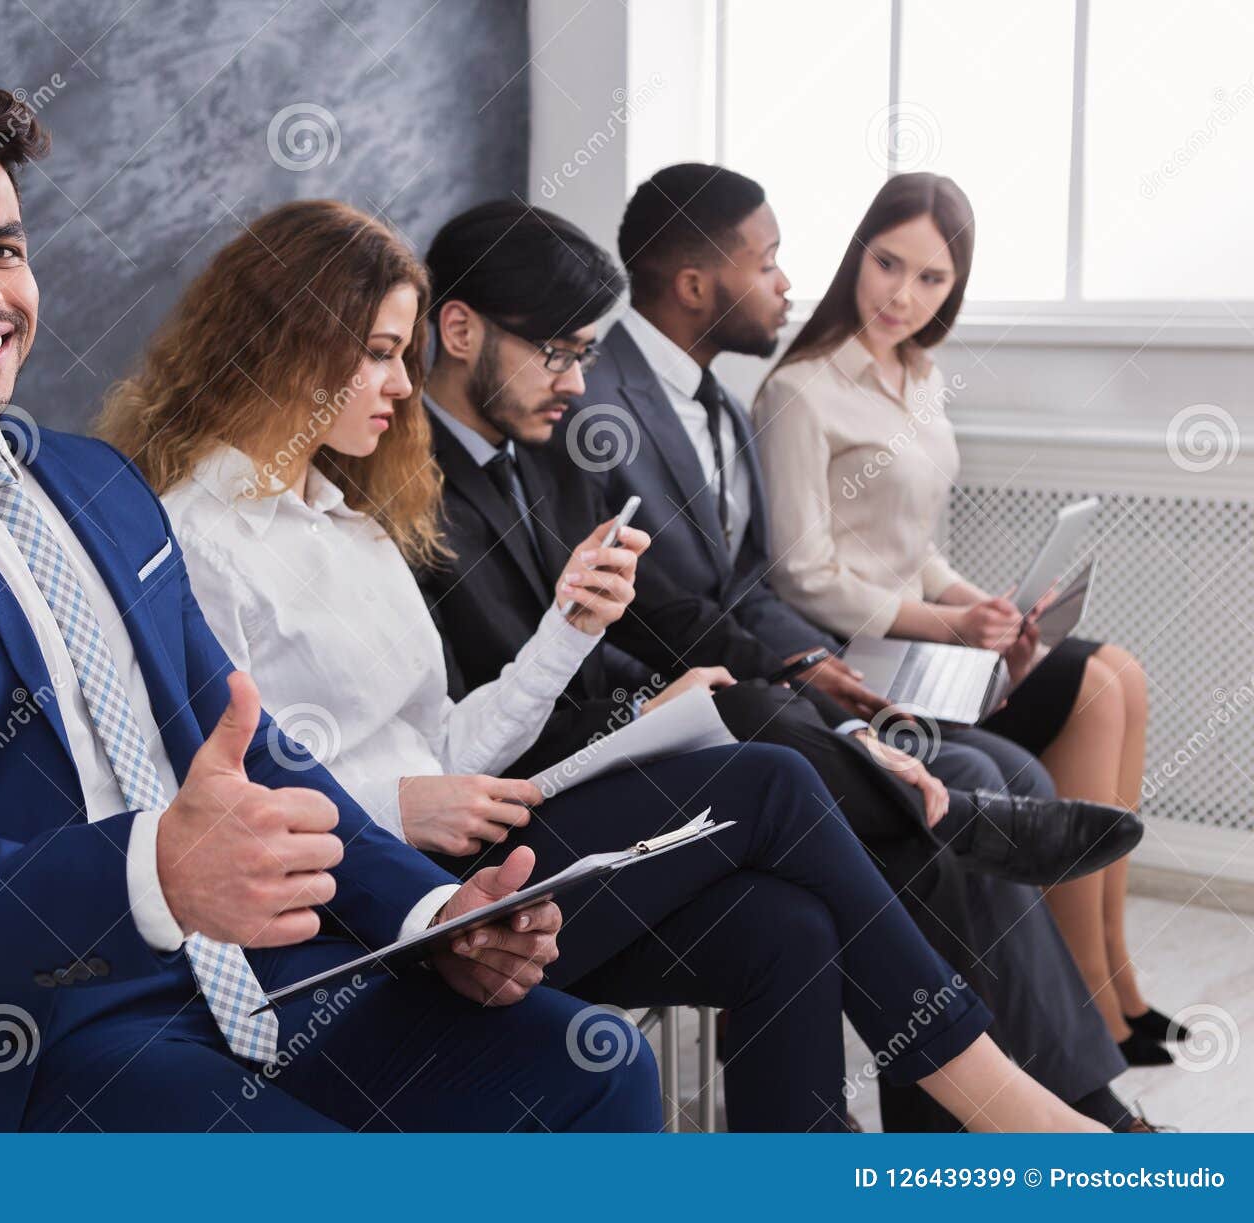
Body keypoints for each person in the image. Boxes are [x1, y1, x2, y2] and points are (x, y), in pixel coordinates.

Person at [0, 71, 660, 1134]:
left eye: (1, 249)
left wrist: (429, 913)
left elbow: (253, 746)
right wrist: (155, 870)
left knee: (598, 1068)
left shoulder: (98, 482)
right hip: (24, 1041)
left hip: (259, 969)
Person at [96, 196, 1109, 1133]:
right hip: (370, 906)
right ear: (283, 346)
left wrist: (568, 631)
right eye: (375, 354)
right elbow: (216, 787)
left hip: (464, 845)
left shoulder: (348, 519)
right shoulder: (194, 538)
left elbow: (448, 740)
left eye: (400, 354)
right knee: (767, 775)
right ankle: (1000, 1099)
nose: (401, 385)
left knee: (786, 924)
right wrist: (398, 801)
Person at [414, 200, 1147, 1132]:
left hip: (607, 748)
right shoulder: (411, 492)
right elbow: (479, 717)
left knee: (794, 893)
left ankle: (875, 1145)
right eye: (557, 352)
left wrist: (777, 667)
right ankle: (1030, 1091)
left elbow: (657, 607)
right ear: (460, 328)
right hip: (516, 801)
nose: (576, 380)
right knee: (801, 762)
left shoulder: (545, 446)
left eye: (585, 354)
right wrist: (644, 708)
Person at [753, 171, 1184, 1069]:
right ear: (856, 253)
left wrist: (978, 605)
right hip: (864, 663)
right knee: (1097, 689)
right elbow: (803, 574)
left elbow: (917, 550)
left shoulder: (922, 377)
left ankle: (1117, 979)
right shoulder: (800, 389)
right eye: (887, 264)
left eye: (931, 280)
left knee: (1122, 678)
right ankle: (1094, 1000)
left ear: (955, 288)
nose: (901, 295)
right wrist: (942, 627)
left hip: (928, 648)